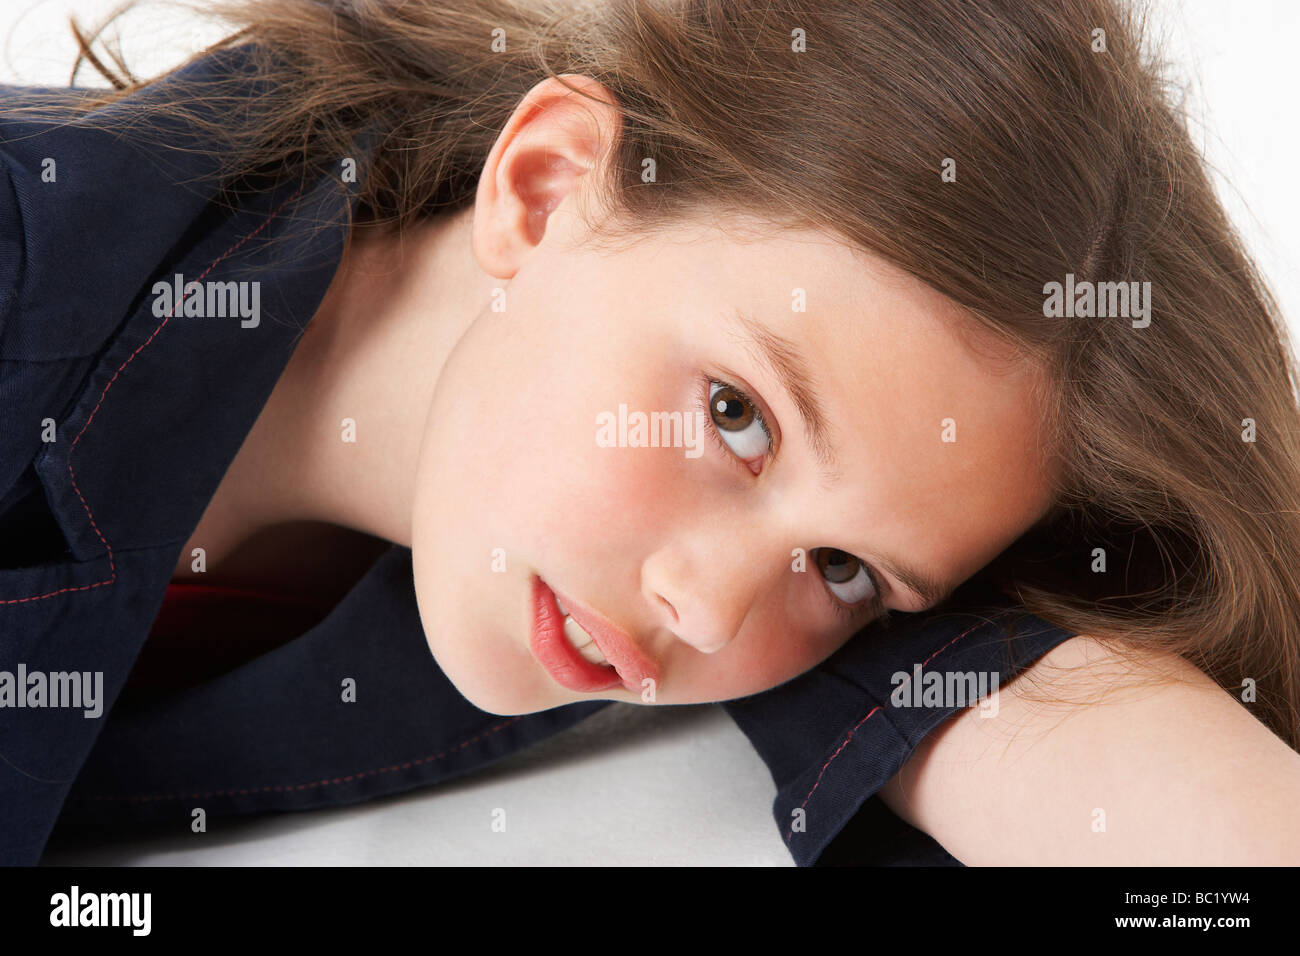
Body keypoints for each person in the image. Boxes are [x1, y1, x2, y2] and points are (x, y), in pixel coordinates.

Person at [3, 0, 1299, 866]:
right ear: (548, 182)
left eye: (846, 570)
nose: (714, 614)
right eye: (737, 417)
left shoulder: (571, 533)